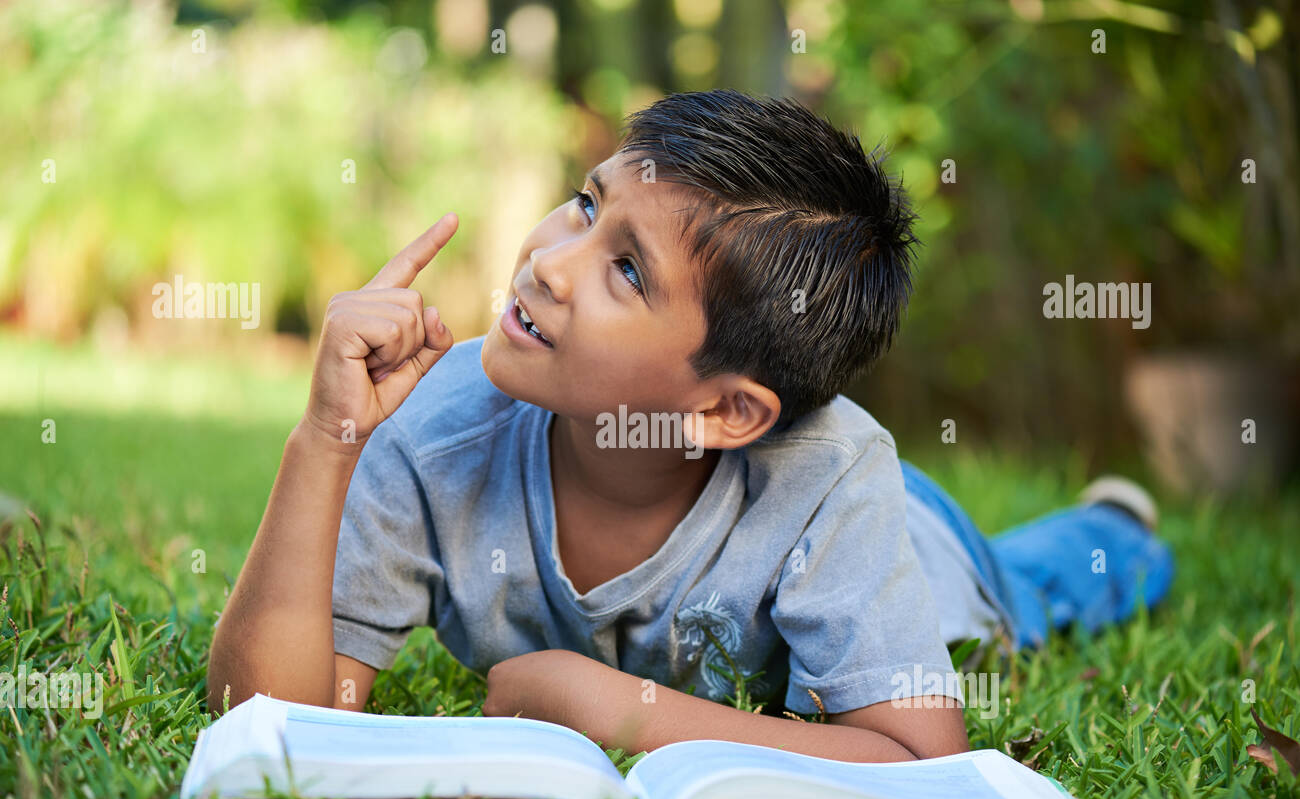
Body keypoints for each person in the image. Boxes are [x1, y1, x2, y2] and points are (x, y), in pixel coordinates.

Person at [206, 90, 1174, 764]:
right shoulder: (432, 432)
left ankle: (1118, 533)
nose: (550, 261)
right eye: (587, 203)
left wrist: (618, 709)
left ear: (722, 408)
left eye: (626, 269)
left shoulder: (831, 480)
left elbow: (917, 757)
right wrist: (327, 442)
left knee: (1024, 593)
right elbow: (264, 719)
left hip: (896, 534)